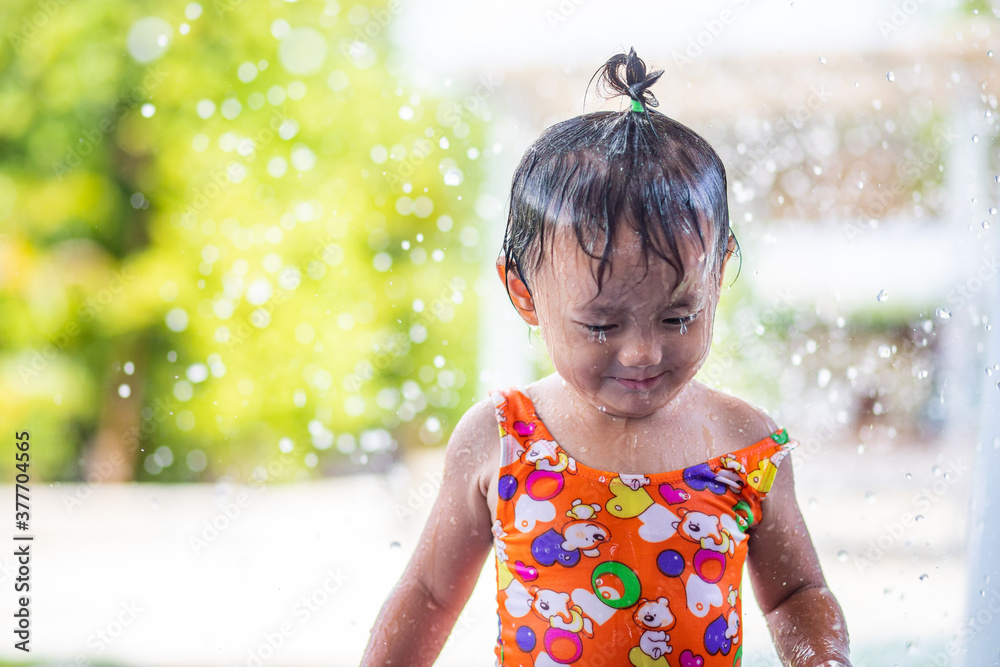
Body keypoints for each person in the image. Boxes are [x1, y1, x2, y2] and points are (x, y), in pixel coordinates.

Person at [361, 48, 851, 667]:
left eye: (678, 317)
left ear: (720, 275)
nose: (643, 351)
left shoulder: (745, 445)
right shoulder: (502, 438)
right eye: (601, 323)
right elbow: (429, 595)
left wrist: (821, 657)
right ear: (524, 294)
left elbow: (796, 595)